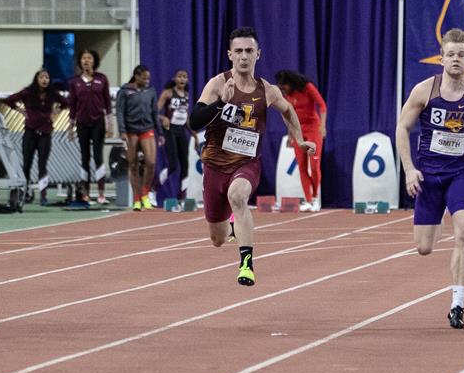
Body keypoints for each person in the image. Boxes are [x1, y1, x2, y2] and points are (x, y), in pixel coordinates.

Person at [395, 28, 464, 328]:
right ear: (441, 58)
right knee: (424, 248)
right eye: (450, 54)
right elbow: (402, 129)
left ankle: (457, 304)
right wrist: (409, 169)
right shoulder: (424, 91)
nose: (456, 59)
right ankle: (440, 215)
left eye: (461, 55)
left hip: (459, 174)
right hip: (428, 177)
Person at [190, 27, 315, 287]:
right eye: (238, 51)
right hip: (215, 165)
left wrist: (299, 139)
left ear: (258, 54)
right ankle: (233, 226)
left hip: (247, 163)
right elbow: (194, 122)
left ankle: (246, 264)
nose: (244, 56)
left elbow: (288, 110)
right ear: (230, 55)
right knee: (217, 239)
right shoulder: (218, 84)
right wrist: (220, 104)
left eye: (249, 50)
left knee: (238, 195)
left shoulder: (267, 90)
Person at [0, 69, 63, 200]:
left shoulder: (52, 93)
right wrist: (21, 110)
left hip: (45, 132)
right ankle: (24, 192)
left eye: (47, 77)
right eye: (42, 77)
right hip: (30, 131)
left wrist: (57, 110)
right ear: (37, 79)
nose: (45, 80)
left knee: (42, 164)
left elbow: (66, 102)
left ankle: (43, 195)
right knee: (27, 164)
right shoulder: (28, 92)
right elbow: (9, 100)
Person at [275, 69, 328, 211]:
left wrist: (322, 127)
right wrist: (290, 134)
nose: (283, 90)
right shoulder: (286, 95)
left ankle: (315, 197)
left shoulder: (307, 87)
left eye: (284, 87)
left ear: (290, 83)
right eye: (281, 88)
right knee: (302, 167)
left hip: (313, 129)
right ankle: (308, 200)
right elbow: (289, 116)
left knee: (314, 166)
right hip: (298, 131)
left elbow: (322, 105)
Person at [66, 48, 112, 204]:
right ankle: (85, 193)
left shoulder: (102, 79)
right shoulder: (75, 82)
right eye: (84, 58)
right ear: (80, 62)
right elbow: (72, 105)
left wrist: (110, 125)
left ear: (94, 61)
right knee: (84, 157)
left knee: (98, 156)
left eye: (89, 58)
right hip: (82, 123)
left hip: (98, 122)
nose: (86, 61)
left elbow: (107, 104)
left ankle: (101, 193)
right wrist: (71, 127)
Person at [116, 64, 161, 209]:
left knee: (151, 163)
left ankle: (145, 194)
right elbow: (119, 112)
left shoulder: (151, 91)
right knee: (133, 164)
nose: (147, 81)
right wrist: (122, 131)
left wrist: (160, 132)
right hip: (131, 130)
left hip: (147, 128)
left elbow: (155, 112)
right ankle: (136, 199)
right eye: (144, 78)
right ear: (136, 76)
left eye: (148, 78)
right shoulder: (125, 91)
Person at [158, 68, 194, 204]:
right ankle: (154, 189)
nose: (182, 79)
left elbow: (186, 117)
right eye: (179, 76)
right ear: (174, 79)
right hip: (170, 130)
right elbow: (155, 112)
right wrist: (163, 118)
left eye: (184, 77)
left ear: (187, 80)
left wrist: (194, 134)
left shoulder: (187, 95)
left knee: (185, 165)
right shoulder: (168, 93)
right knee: (173, 165)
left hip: (181, 131)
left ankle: (181, 197)